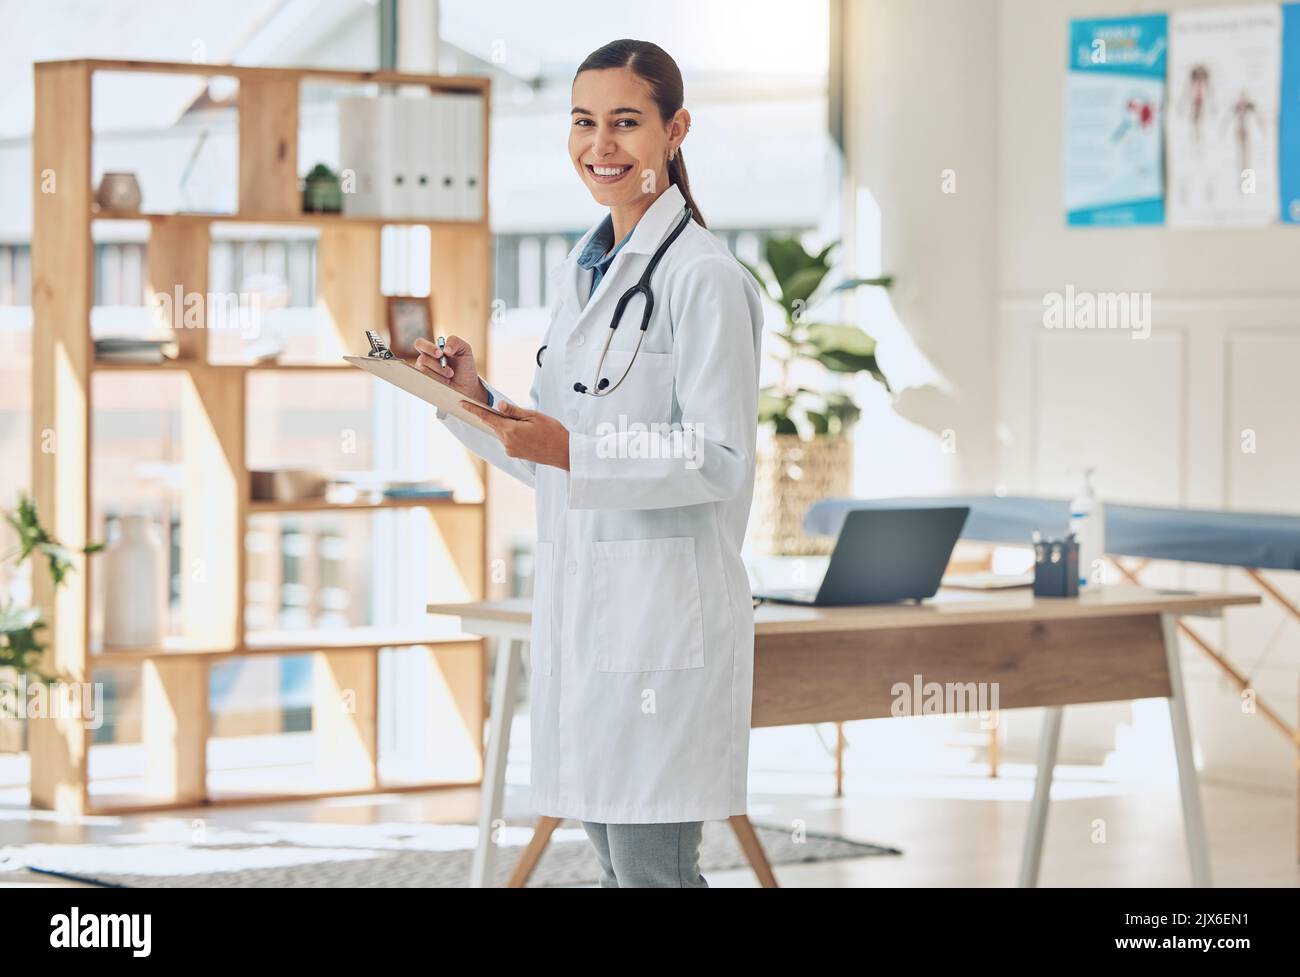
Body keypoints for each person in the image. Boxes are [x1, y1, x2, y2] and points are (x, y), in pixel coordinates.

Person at [415, 38, 763, 888]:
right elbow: (556, 454)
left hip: (659, 626)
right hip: (590, 620)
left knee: (650, 873)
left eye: (625, 123)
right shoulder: (586, 272)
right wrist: (476, 399)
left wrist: (574, 447)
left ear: (675, 130)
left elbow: (718, 458)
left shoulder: (704, 278)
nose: (600, 146)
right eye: (583, 122)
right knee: (619, 867)